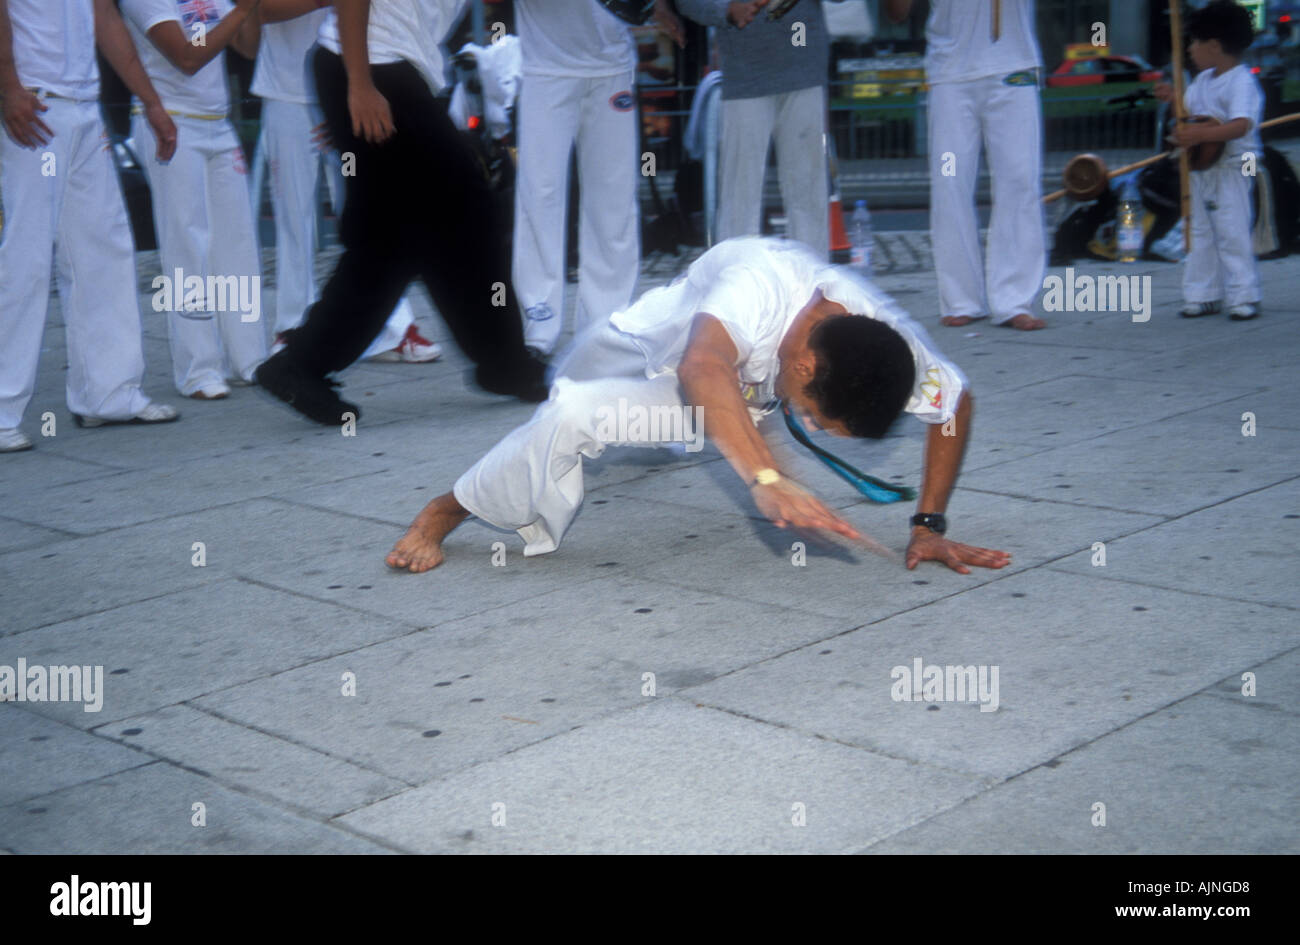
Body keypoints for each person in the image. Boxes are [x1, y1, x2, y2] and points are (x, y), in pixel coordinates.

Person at [386, 236, 1011, 576]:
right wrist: (765, 477)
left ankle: (458, 505)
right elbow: (701, 366)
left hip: (742, 390)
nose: (817, 430)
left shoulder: (885, 339)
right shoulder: (761, 285)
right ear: (805, 366)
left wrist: (928, 525)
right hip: (649, 351)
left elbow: (956, 403)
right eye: (820, 419)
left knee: (713, 415)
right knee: (566, 407)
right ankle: (446, 509)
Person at [255, 0, 548, 426]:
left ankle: (503, 361)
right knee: (454, 218)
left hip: (379, 68)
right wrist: (357, 85)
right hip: (375, 68)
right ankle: (504, 362)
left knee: (406, 236)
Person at [0, 0, 179, 453]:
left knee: (104, 249)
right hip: (34, 103)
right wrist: (7, 88)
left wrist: (152, 101)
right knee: (27, 257)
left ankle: (109, 393)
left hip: (83, 107)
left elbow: (105, 18)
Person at [254, 0, 440, 362]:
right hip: (288, 95)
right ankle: (293, 326)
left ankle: (393, 328)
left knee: (374, 213)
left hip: (351, 86)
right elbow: (260, 8)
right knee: (294, 219)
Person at [512, 0, 683, 357]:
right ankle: (537, 322)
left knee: (614, 197)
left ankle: (607, 321)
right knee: (540, 194)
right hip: (546, 66)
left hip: (612, 65)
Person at [119, 0, 270, 401]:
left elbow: (248, 48)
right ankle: (198, 369)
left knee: (236, 243)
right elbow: (187, 57)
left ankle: (249, 358)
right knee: (187, 245)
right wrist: (243, 10)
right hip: (170, 122)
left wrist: (246, 10)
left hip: (217, 124)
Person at [886, 0, 1047, 331]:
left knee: (1019, 179)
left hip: (1013, 70)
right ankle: (961, 299)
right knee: (950, 181)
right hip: (950, 77)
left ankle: (1014, 299)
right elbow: (897, 12)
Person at [677, 0, 833, 259]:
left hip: (803, 72)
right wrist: (725, 9)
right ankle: (736, 279)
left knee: (807, 190)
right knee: (741, 193)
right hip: (746, 77)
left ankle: (812, 278)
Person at [1154, 0, 1262, 321]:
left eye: (1194, 42)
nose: (1189, 50)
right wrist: (1174, 100)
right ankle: (1203, 293)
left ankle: (1244, 293)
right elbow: (1189, 119)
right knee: (1200, 228)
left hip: (1239, 163)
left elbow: (1241, 124)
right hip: (1203, 166)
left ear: (1214, 45)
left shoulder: (1242, 81)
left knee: (1233, 227)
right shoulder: (1201, 82)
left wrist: (1201, 137)